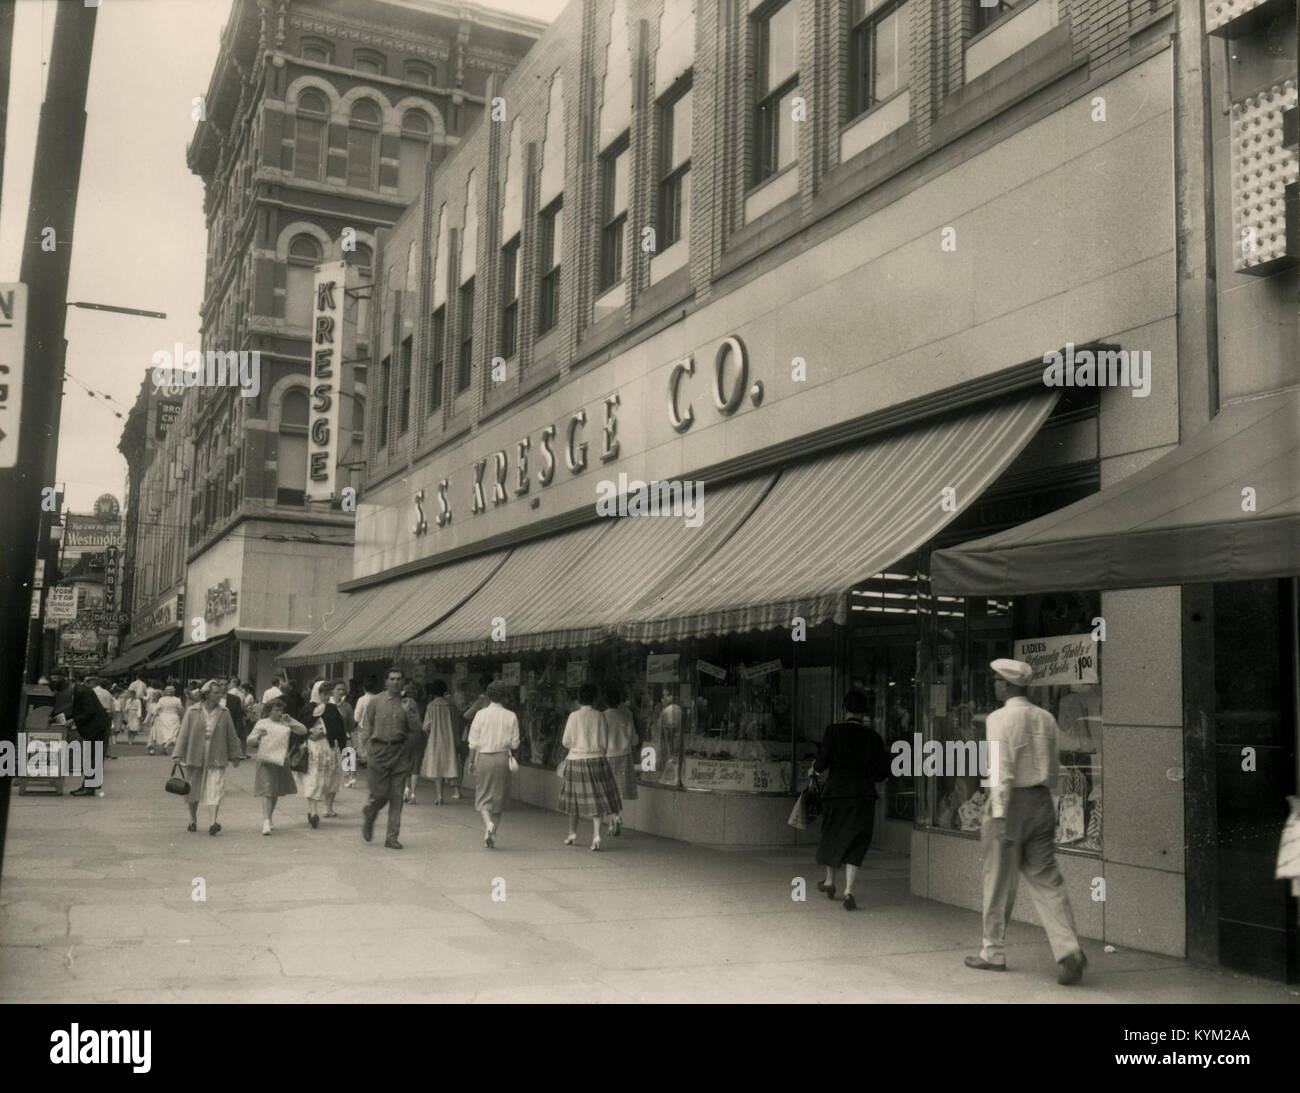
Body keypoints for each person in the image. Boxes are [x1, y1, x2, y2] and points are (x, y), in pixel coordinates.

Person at [965, 659, 1088, 985]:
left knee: (997, 880)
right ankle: (1068, 949)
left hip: (1010, 805)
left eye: (996, 680)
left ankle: (992, 951)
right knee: (1047, 879)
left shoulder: (998, 719)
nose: (994, 684)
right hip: (1041, 802)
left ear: (1007, 685)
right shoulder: (1046, 718)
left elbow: (1001, 770)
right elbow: (1054, 768)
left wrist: (1001, 815)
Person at [811, 690, 889, 910]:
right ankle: (849, 891)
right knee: (857, 839)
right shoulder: (874, 738)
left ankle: (829, 882)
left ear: (844, 709)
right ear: (864, 712)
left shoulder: (833, 732)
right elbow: (883, 771)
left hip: (836, 792)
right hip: (863, 794)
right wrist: (868, 777)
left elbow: (821, 764)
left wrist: (815, 771)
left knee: (832, 834)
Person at [359, 667, 424, 850]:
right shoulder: (375, 702)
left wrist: (409, 713)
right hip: (378, 751)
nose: (395, 682)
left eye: (399, 679)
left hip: (399, 753)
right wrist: (364, 749)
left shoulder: (409, 703)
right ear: (386, 682)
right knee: (379, 794)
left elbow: (417, 730)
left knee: (396, 797)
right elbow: (366, 727)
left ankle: (392, 837)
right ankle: (370, 813)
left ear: (403, 682)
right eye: (392, 679)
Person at [172, 680, 242, 835]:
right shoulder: (192, 711)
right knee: (193, 787)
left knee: (215, 787)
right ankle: (192, 819)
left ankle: (213, 822)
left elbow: (231, 734)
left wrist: (236, 754)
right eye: (216, 692)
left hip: (217, 753)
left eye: (220, 692)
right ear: (206, 694)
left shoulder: (224, 712)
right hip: (196, 752)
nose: (220, 695)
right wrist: (178, 754)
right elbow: (184, 734)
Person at [558, 683, 622, 852]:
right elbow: (604, 742)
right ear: (594, 698)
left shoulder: (573, 716)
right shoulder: (600, 716)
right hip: (597, 760)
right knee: (597, 800)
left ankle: (572, 833)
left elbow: (566, 741)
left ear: (579, 698)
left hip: (576, 760)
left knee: (574, 801)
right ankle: (596, 835)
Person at [246, 686, 308, 835]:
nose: (279, 713)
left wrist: (291, 720)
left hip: (280, 760)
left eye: (281, 710)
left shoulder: (285, 722)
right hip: (266, 760)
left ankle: (269, 817)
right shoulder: (262, 723)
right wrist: (258, 737)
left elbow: (303, 730)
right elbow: (249, 741)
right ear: (269, 710)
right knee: (268, 791)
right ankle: (266, 821)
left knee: (274, 792)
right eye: (276, 710)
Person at [467, 681, 520, 849]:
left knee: (482, 795)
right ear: (504, 696)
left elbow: (473, 742)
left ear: (488, 695)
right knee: (499, 799)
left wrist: (471, 761)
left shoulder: (480, 715)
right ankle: (491, 834)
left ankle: (487, 823)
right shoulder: (511, 715)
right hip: (502, 758)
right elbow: (515, 743)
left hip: (484, 757)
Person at [47, 665, 110, 796]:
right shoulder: (76, 692)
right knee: (91, 756)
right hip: (94, 725)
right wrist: (57, 719)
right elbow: (72, 711)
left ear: (68, 687)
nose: (66, 696)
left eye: (65, 694)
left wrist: (74, 720)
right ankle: (88, 787)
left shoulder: (82, 691)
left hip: (97, 726)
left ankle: (89, 788)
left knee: (93, 756)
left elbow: (89, 711)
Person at [417, 679, 462, 805]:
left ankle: (439, 795)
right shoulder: (451, 706)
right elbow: (456, 723)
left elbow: (425, 726)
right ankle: (456, 791)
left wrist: (429, 733)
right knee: (451, 765)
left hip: (435, 740)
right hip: (450, 739)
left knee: (437, 767)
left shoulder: (430, 706)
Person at [601, 683, 638, 835]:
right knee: (619, 791)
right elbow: (634, 739)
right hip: (624, 756)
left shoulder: (603, 716)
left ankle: (611, 820)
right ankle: (616, 816)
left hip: (607, 756)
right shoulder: (626, 715)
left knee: (609, 791)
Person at [294, 702, 338, 828]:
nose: (325, 696)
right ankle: (313, 811)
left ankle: (312, 809)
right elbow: (299, 727)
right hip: (310, 749)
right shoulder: (308, 708)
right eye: (323, 692)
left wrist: (324, 732)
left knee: (321, 782)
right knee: (312, 779)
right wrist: (309, 733)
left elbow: (337, 728)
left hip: (325, 749)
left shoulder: (330, 709)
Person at [320, 681, 350, 817]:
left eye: (343, 689)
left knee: (334, 777)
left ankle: (329, 807)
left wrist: (345, 748)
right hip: (321, 746)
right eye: (338, 689)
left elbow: (346, 727)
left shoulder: (344, 707)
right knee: (324, 777)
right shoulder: (319, 707)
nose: (341, 692)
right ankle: (321, 806)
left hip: (336, 745)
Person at [349, 676, 379, 785]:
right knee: (373, 754)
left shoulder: (361, 700)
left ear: (363, 688)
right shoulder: (378, 699)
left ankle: (352, 777)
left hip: (363, 729)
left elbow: (356, 717)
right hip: (376, 729)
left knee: (356, 753)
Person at [146, 685, 184, 756]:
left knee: (164, 733)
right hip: (174, 717)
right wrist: (182, 718)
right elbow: (180, 710)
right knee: (173, 733)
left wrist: (153, 717)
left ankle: (165, 746)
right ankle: (167, 745)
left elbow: (156, 709)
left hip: (163, 717)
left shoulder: (162, 699)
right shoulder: (177, 699)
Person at [225, 677, 248, 758]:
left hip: (229, 714)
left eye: (230, 683)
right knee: (240, 735)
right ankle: (241, 753)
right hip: (239, 715)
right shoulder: (242, 694)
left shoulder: (229, 693)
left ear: (233, 683)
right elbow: (244, 706)